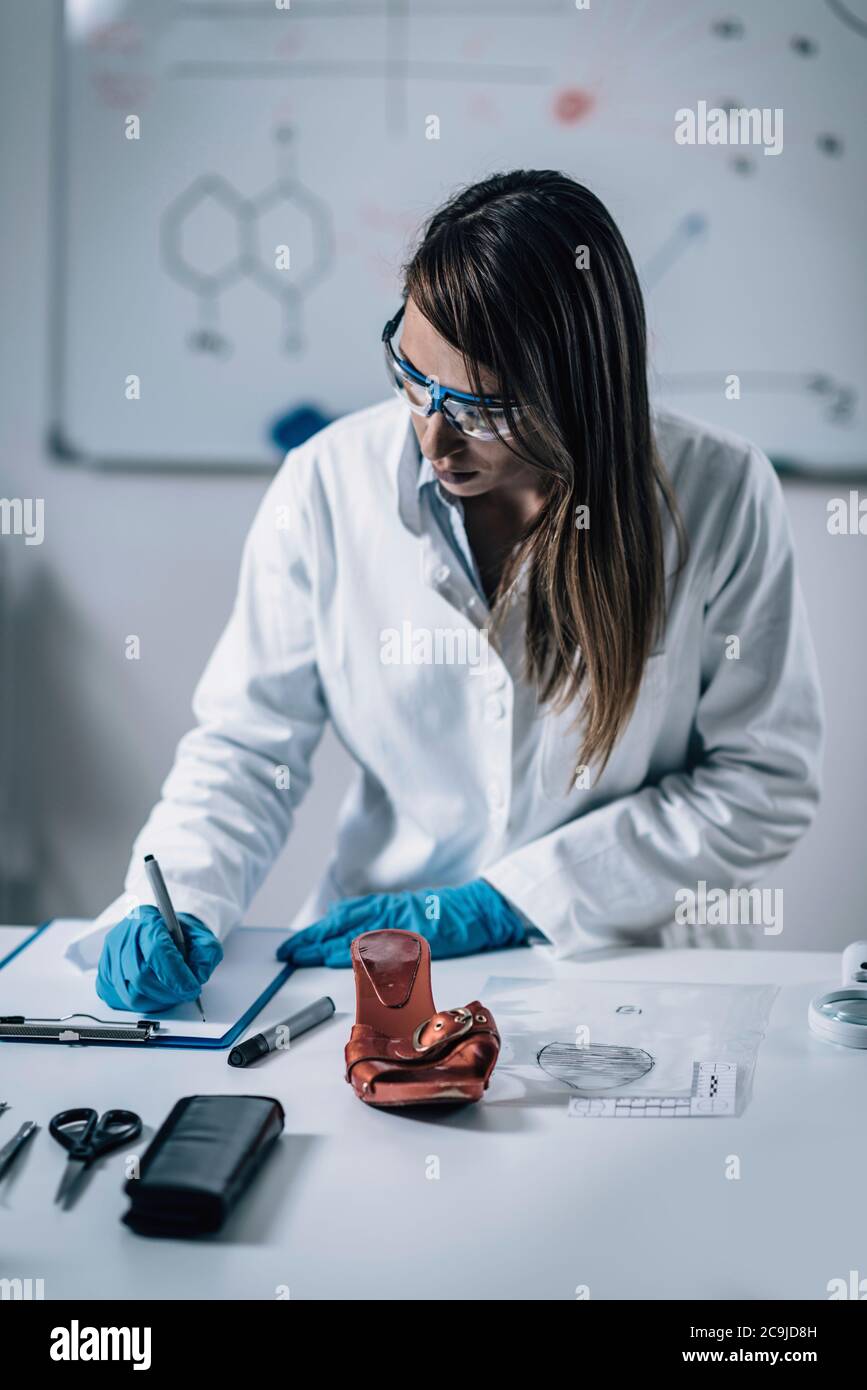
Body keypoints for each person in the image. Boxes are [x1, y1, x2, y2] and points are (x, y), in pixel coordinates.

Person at [91, 169, 823, 1013]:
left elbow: (761, 783)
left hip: (623, 962)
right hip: (380, 958)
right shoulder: (326, 483)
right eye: (412, 376)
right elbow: (249, 748)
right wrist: (176, 898)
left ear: (578, 396)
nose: (432, 436)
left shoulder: (717, 491)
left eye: (480, 409)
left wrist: (507, 902)